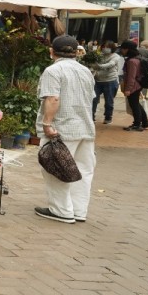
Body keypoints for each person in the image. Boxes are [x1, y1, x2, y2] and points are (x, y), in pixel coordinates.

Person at [35, 35, 97, 224]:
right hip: (85, 127)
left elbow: (53, 98)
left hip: (61, 128)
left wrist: (47, 123)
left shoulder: (53, 70)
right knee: (84, 170)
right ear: (76, 52)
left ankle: (61, 210)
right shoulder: (86, 71)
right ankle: (78, 210)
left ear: (51, 51)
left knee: (55, 166)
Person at [119, 40, 148, 131]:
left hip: (133, 86)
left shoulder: (132, 61)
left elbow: (131, 77)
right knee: (136, 103)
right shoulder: (137, 58)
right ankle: (145, 122)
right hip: (138, 84)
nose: (122, 51)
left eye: (123, 49)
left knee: (134, 105)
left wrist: (128, 89)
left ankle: (137, 124)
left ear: (127, 49)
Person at [89, 39, 123, 125]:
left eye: (107, 47)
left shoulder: (116, 56)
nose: (105, 48)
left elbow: (111, 64)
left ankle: (108, 117)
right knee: (93, 99)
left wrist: (99, 66)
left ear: (112, 48)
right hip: (98, 80)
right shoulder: (99, 55)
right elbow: (92, 63)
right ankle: (91, 116)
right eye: (104, 47)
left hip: (110, 80)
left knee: (109, 101)